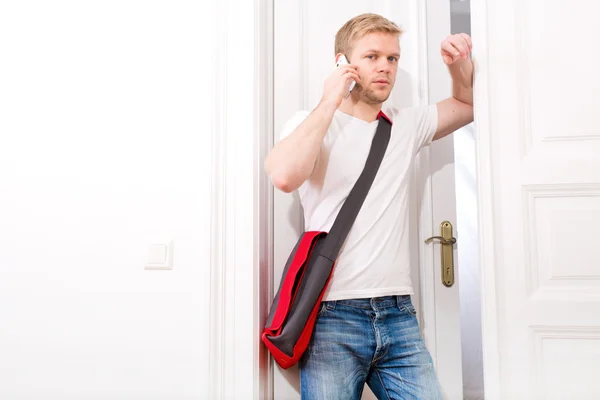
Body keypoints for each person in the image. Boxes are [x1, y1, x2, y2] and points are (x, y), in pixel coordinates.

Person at [264, 13, 474, 400]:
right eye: (373, 56)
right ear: (344, 63)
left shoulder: (405, 125)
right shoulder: (308, 124)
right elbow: (283, 176)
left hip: (399, 314)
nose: (385, 67)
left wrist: (459, 67)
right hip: (332, 317)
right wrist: (331, 99)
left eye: (392, 59)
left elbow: (466, 104)